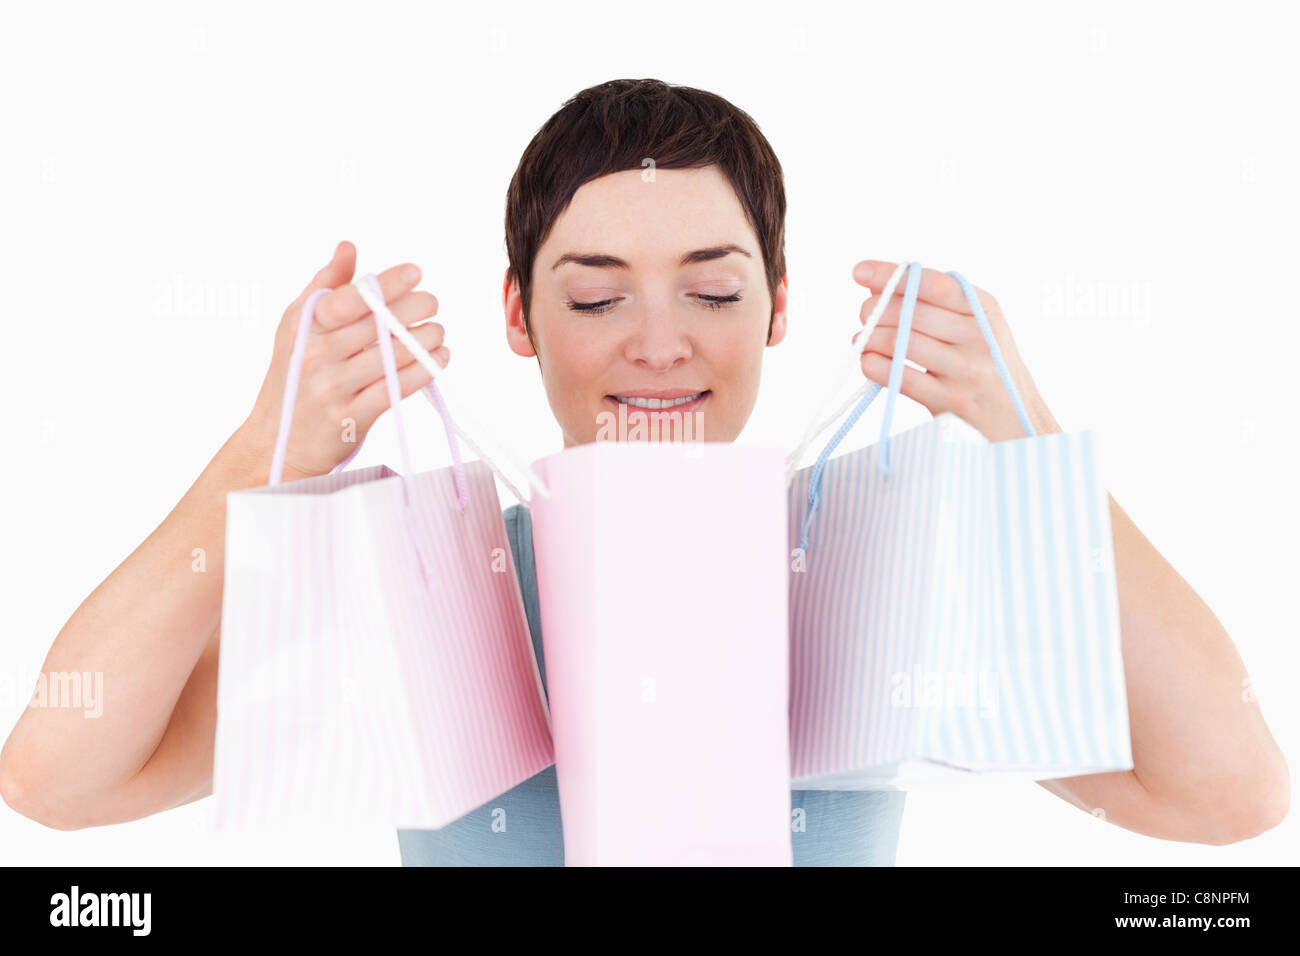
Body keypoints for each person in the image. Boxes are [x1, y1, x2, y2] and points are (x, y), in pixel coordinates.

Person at [0, 78, 1287, 865]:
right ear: (517, 316)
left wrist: (1027, 435)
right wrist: (255, 456)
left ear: (778, 308)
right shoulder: (434, 586)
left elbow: (1228, 795)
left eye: (713, 289)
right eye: (597, 294)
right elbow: (58, 779)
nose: (659, 342)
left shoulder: (867, 570)